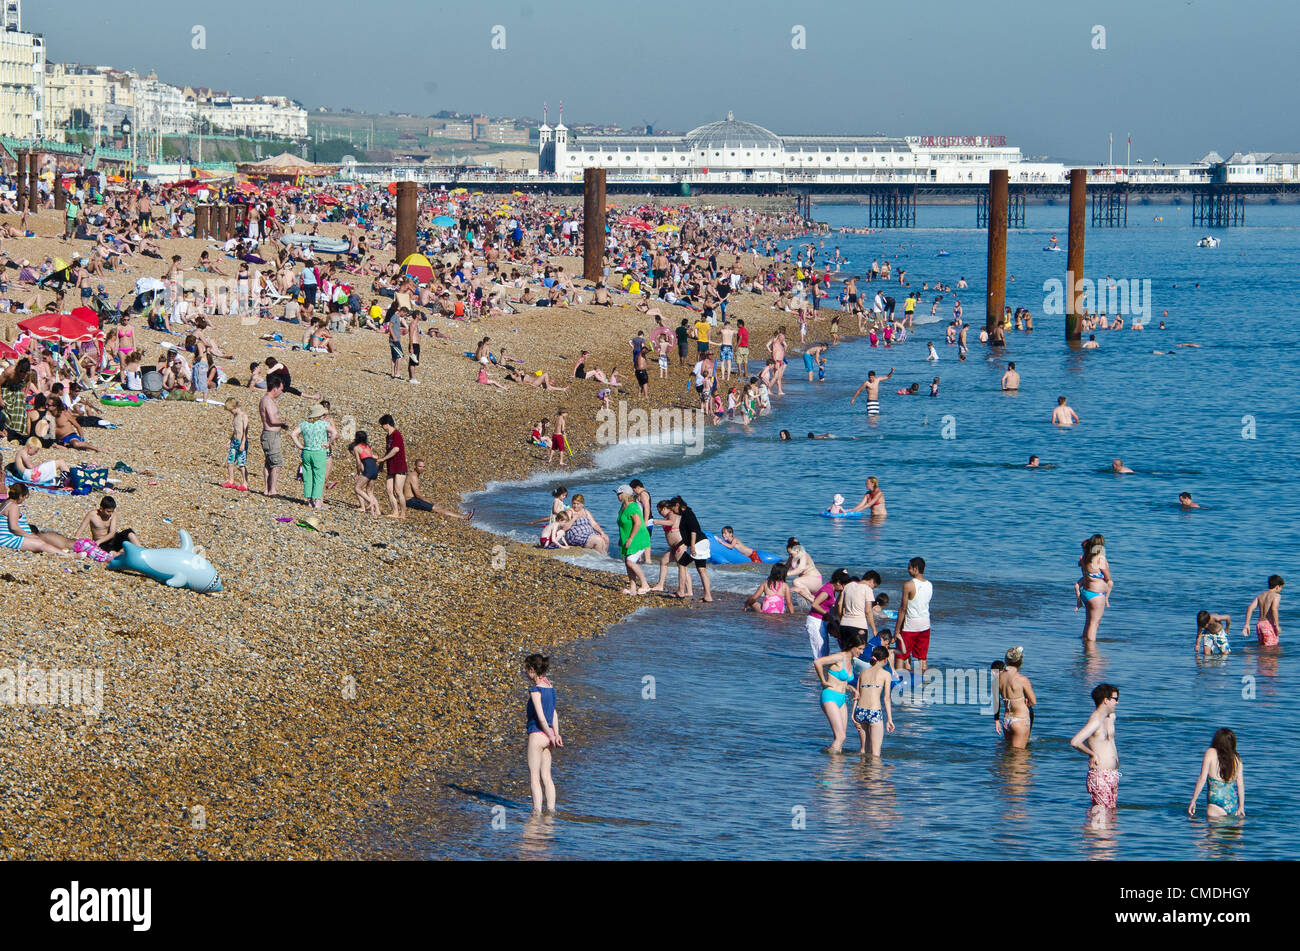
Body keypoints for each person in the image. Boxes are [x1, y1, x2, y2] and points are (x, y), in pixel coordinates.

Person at [1070, 683, 1121, 818]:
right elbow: (1075, 742)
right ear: (1106, 700)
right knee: (1100, 818)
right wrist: (1092, 754)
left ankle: (1097, 838)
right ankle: (1091, 838)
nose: (1117, 702)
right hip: (1100, 775)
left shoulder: (1110, 718)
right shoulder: (1095, 721)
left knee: (1110, 817)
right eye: (1115, 699)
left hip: (1113, 775)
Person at [813, 630, 865, 754]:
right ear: (852, 646)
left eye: (863, 649)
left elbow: (841, 680)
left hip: (842, 699)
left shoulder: (851, 661)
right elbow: (817, 662)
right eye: (860, 648)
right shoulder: (839, 657)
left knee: (841, 738)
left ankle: (836, 768)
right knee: (841, 736)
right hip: (830, 696)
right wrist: (823, 681)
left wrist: (850, 688)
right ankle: (831, 770)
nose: (861, 652)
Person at [524, 653, 562, 816]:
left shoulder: (535, 691)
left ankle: (537, 812)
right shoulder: (550, 687)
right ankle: (552, 811)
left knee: (534, 776)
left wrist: (550, 734)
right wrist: (555, 734)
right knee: (547, 776)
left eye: (526, 669)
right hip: (549, 735)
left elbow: (540, 716)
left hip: (538, 734)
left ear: (532, 670)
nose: (525, 673)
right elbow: (553, 713)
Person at [1187, 728, 1245, 819]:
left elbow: (1202, 778)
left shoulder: (1210, 752)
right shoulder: (1237, 758)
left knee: (1213, 831)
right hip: (1232, 803)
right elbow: (1240, 784)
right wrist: (1241, 806)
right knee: (1229, 832)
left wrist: (1193, 800)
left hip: (1215, 803)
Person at [0, 484, 74, 554]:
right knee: (41, 544)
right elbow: (14, 527)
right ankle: (69, 555)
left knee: (42, 539)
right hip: (8, 539)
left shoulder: (5, 503)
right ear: (20, 496)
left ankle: (60, 550)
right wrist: (28, 535)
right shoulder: (13, 506)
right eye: (24, 497)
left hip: (6, 537)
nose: (23, 500)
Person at [851, 645, 896, 757]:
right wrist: (889, 720)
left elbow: (857, 695)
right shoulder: (886, 674)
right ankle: (873, 774)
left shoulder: (863, 673)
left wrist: (852, 715)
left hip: (860, 711)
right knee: (875, 754)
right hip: (874, 712)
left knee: (863, 750)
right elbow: (886, 698)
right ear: (885, 659)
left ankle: (860, 773)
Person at [291, 403, 334, 510]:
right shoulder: (323, 424)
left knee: (308, 476)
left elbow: (293, 434)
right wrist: (328, 443)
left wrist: (300, 446)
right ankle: (318, 502)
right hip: (319, 452)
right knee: (319, 477)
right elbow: (335, 432)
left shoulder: (304, 424)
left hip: (306, 452)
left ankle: (309, 501)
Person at [669, 496, 713, 602]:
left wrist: (692, 546)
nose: (672, 510)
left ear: (677, 505)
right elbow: (689, 533)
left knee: (682, 564)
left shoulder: (688, 514)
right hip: (702, 542)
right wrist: (679, 544)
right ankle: (708, 596)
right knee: (702, 569)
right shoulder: (687, 513)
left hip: (697, 543)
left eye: (672, 508)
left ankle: (681, 591)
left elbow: (693, 530)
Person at [894, 556, 933, 676]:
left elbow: (903, 609)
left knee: (901, 654)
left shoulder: (909, 585)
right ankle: (923, 680)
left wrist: (897, 630)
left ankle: (898, 680)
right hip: (925, 624)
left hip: (911, 625)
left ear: (916, 569)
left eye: (909, 568)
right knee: (922, 656)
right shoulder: (929, 585)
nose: (908, 570)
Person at [73, 495, 139, 561]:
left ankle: (141, 551)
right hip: (102, 544)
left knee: (130, 533)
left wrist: (98, 542)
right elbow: (82, 528)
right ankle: (128, 559)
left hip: (110, 539)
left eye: (112, 511)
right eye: (108, 511)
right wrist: (75, 539)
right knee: (113, 554)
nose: (110, 514)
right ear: (101, 509)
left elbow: (112, 533)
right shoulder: (92, 515)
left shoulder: (113, 514)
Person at [993, 646, 1036, 748]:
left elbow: (995, 701)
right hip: (1020, 720)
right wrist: (1026, 702)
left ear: (1006, 660)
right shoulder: (1022, 679)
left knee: (1008, 754)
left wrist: (996, 721)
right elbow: (1033, 701)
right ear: (1020, 662)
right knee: (1019, 757)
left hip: (1006, 720)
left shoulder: (998, 678)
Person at [404, 459, 472, 520]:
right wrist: (427, 501)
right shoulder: (413, 476)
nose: (422, 468)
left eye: (423, 467)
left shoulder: (412, 474)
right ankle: (463, 517)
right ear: (415, 466)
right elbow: (417, 494)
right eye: (420, 466)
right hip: (410, 501)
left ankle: (461, 516)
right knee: (436, 508)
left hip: (410, 499)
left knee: (436, 506)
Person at [615, 484, 651, 596]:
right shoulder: (623, 507)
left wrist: (630, 538)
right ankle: (633, 588)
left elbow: (638, 523)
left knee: (630, 562)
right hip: (627, 539)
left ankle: (645, 585)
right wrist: (622, 539)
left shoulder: (633, 507)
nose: (617, 496)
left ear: (625, 494)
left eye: (619, 494)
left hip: (638, 538)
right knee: (627, 563)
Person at [1076, 540, 1109, 642]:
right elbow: (1108, 577)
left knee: (1089, 621)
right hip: (1096, 595)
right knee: (1094, 623)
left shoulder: (1084, 559)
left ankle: (1085, 641)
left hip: (1086, 592)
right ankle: (1091, 647)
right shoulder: (1098, 560)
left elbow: (1080, 565)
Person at [259, 375, 286, 498]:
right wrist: (283, 423)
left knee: (269, 463)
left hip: (269, 434)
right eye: (281, 389)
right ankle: (272, 491)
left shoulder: (265, 400)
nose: (281, 392)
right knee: (276, 463)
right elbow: (272, 420)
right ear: (275, 388)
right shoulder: (267, 401)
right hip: (271, 435)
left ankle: (266, 489)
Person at [378, 414, 409, 520]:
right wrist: (382, 462)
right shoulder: (388, 436)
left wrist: (383, 459)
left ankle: (403, 513)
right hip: (391, 465)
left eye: (382, 425)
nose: (382, 427)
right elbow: (388, 450)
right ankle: (395, 512)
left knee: (398, 490)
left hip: (399, 466)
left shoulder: (396, 434)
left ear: (387, 424)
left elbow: (396, 449)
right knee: (389, 489)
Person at [1242, 575, 1284, 647]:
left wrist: (1247, 624)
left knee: (1262, 647)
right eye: (1281, 588)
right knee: (1272, 649)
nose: (1281, 590)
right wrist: (1277, 625)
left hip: (1260, 624)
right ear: (1277, 586)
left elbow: (1250, 608)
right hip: (1269, 625)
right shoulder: (1276, 596)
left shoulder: (1260, 595)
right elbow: (1274, 609)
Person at [349, 431, 381, 516]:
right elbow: (372, 457)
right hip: (374, 468)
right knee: (369, 491)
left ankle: (370, 502)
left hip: (368, 468)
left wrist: (358, 472)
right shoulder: (367, 447)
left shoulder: (356, 448)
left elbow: (358, 462)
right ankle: (377, 511)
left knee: (357, 488)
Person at [222, 397, 250, 491]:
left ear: (235, 407)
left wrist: (243, 443)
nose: (231, 412)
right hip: (234, 441)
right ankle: (231, 480)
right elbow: (235, 431)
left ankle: (245, 483)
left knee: (241, 464)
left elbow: (245, 431)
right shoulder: (235, 417)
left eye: (231, 410)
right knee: (230, 461)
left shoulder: (243, 416)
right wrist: (230, 440)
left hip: (241, 441)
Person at [785, 538, 822, 606]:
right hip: (805, 582)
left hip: (815, 580)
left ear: (797, 550)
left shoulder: (803, 555)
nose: (790, 556)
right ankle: (813, 602)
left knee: (796, 582)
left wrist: (786, 574)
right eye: (788, 554)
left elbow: (800, 569)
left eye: (791, 554)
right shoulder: (792, 557)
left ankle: (813, 601)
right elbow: (785, 568)